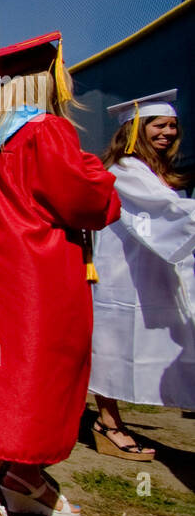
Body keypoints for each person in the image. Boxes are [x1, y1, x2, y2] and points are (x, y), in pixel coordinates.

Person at [0, 31, 120, 516]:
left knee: (7, 372)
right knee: (29, 375)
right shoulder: (45, 132)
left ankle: (23, 475)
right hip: (33, 278)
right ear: (50, 81)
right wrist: (98, 174)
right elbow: (86, 200)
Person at [89, 90, 194, 459]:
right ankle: (107, 423)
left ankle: (111, 421)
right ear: (134, 130)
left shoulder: (151, 171)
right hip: (124, 275)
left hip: (152, 273)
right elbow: (168, 213)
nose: (168, 132)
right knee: (115, 348)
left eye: (173, 126)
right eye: (159, 125)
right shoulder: (126, 171)